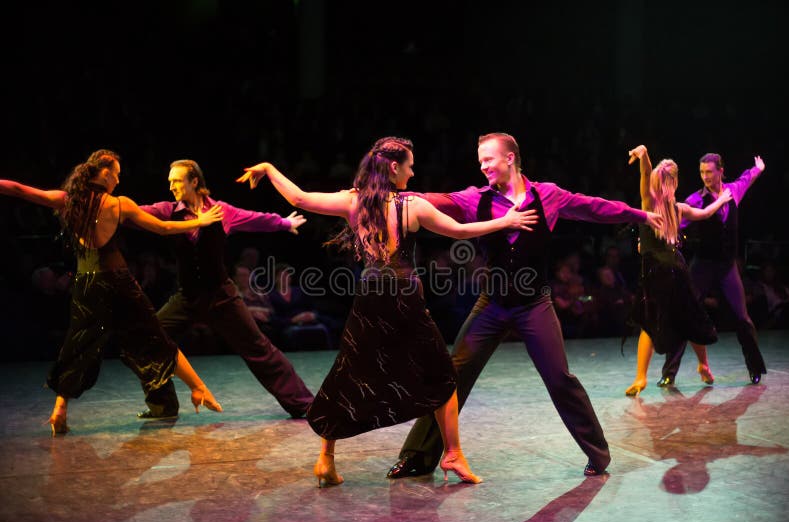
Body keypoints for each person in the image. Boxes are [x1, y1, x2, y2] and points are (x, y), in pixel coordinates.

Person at [239, 136, 538, 485]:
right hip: (404, 296)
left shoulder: (354, 202)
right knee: (441, 376)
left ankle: (326, 458)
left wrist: (269, 169)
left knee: (348, 373)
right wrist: (505, 222)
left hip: (370, 295)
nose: (412, 172)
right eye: (409, 165)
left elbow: (300, 199)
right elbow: (459, 232)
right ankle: (453, 454)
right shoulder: (411, 205)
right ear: (394, 167)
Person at [386, 132, 665, 479]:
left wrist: (639, 215)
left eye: (488, 159)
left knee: (560, 378)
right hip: (493, 303)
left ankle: (598, 455)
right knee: (451, 375)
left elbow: (594, 207)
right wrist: (386, 195)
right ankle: (417, 456)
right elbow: (432, 199)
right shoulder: (476, 199)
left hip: (534, 303)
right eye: (480, 161)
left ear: (510, 158)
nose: (483, 166)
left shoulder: (548, 195)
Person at [0, 150, 224, 435]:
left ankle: (60, 407)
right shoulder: (119, 204)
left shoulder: (67, 200)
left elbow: (19, 190)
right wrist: (198, 222)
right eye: (116, 173)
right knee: (155, 336)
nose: (118, 179)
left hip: (87, 284)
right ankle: (199, 388)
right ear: (104, 172)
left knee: (78, 345)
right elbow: (164, 227)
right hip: (119, 283)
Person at [132, 159, 315, 419]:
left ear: (194, 181)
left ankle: (305, 404)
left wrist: (284, 223)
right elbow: (132, 214)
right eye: (170, 181)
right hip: (187, 297)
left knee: (259, 350)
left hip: (221, 295)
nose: (171, 186)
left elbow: (255, 219)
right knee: (147, 340)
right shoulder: (166, 211)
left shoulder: (221, 211)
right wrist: (104, 208)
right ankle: (163, 406)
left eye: (176, 180)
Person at [623, 145, 732, 396]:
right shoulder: (677, 208)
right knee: (690, 318)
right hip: (675, 268)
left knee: (650, 324)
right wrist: (722, 200)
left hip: (657, 272)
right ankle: (703, 365)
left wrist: (644, 153)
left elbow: (645, 173)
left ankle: (641, 377)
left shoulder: (650, 203)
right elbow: (704, 213)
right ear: (675, 181)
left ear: (655, 181)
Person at [658, 153, 767, 386]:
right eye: (702, 172)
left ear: (720, 171)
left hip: (727, 266)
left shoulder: (733, 191)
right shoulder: (697, 199)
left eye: (709, 171)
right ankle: (669, 373)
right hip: (703, 265)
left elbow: (747, 179)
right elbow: (677, 217)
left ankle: (755, 368)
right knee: (685, 312)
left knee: (742, 318)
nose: (705, 177)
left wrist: (758, 168)